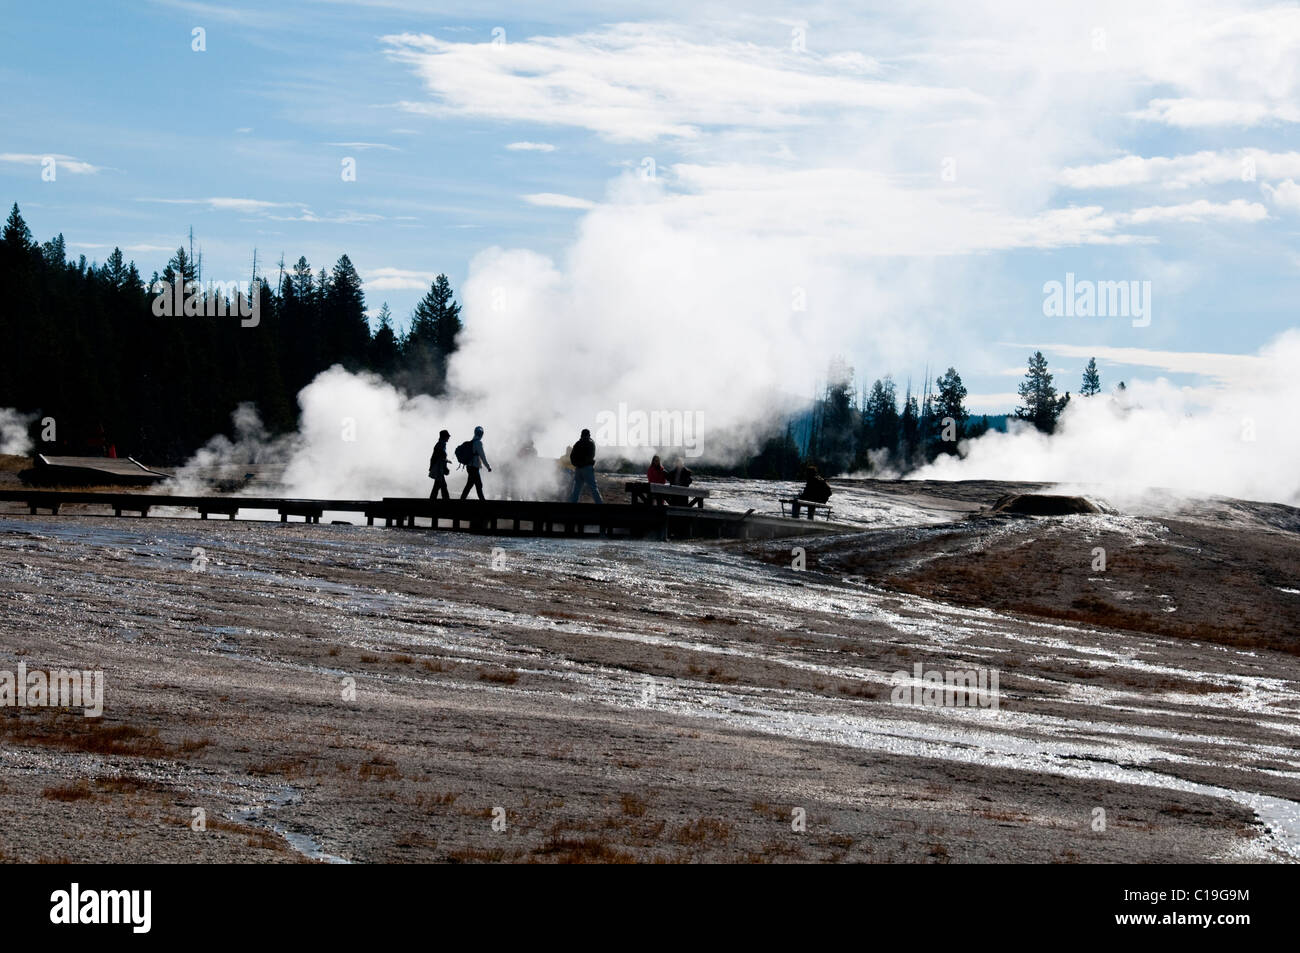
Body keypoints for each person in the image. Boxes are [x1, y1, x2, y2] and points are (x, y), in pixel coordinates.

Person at [568, 428, 603, 503]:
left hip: (578, 469)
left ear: (581, 435)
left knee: (576, 488)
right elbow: (592, 456)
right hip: (587, 468)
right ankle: (599, 503)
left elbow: (572, 456)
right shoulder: (590, 443)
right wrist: (585, 463)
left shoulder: (577, 443)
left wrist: (576, 464)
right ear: (588, 435)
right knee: (593, 487)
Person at [461, 425, 492, 500]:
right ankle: (482, 501)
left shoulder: (472, 442)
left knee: (470, 485)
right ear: (481, 434)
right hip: (474, 467)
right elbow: (482, 456)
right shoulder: (478, 443)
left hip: (469, 466)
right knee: (478, 485)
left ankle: (462, 499)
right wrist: (488, 467)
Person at [429, 429, 451, 500]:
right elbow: (441, 458)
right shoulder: (441, 445)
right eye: (447, 436)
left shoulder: (440, 444)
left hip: (439, 468)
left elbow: (438, 457)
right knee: (441, 486)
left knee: (439, 486)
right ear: (444, 437)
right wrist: (445, 466)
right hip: (439, 469)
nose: (448, 438)